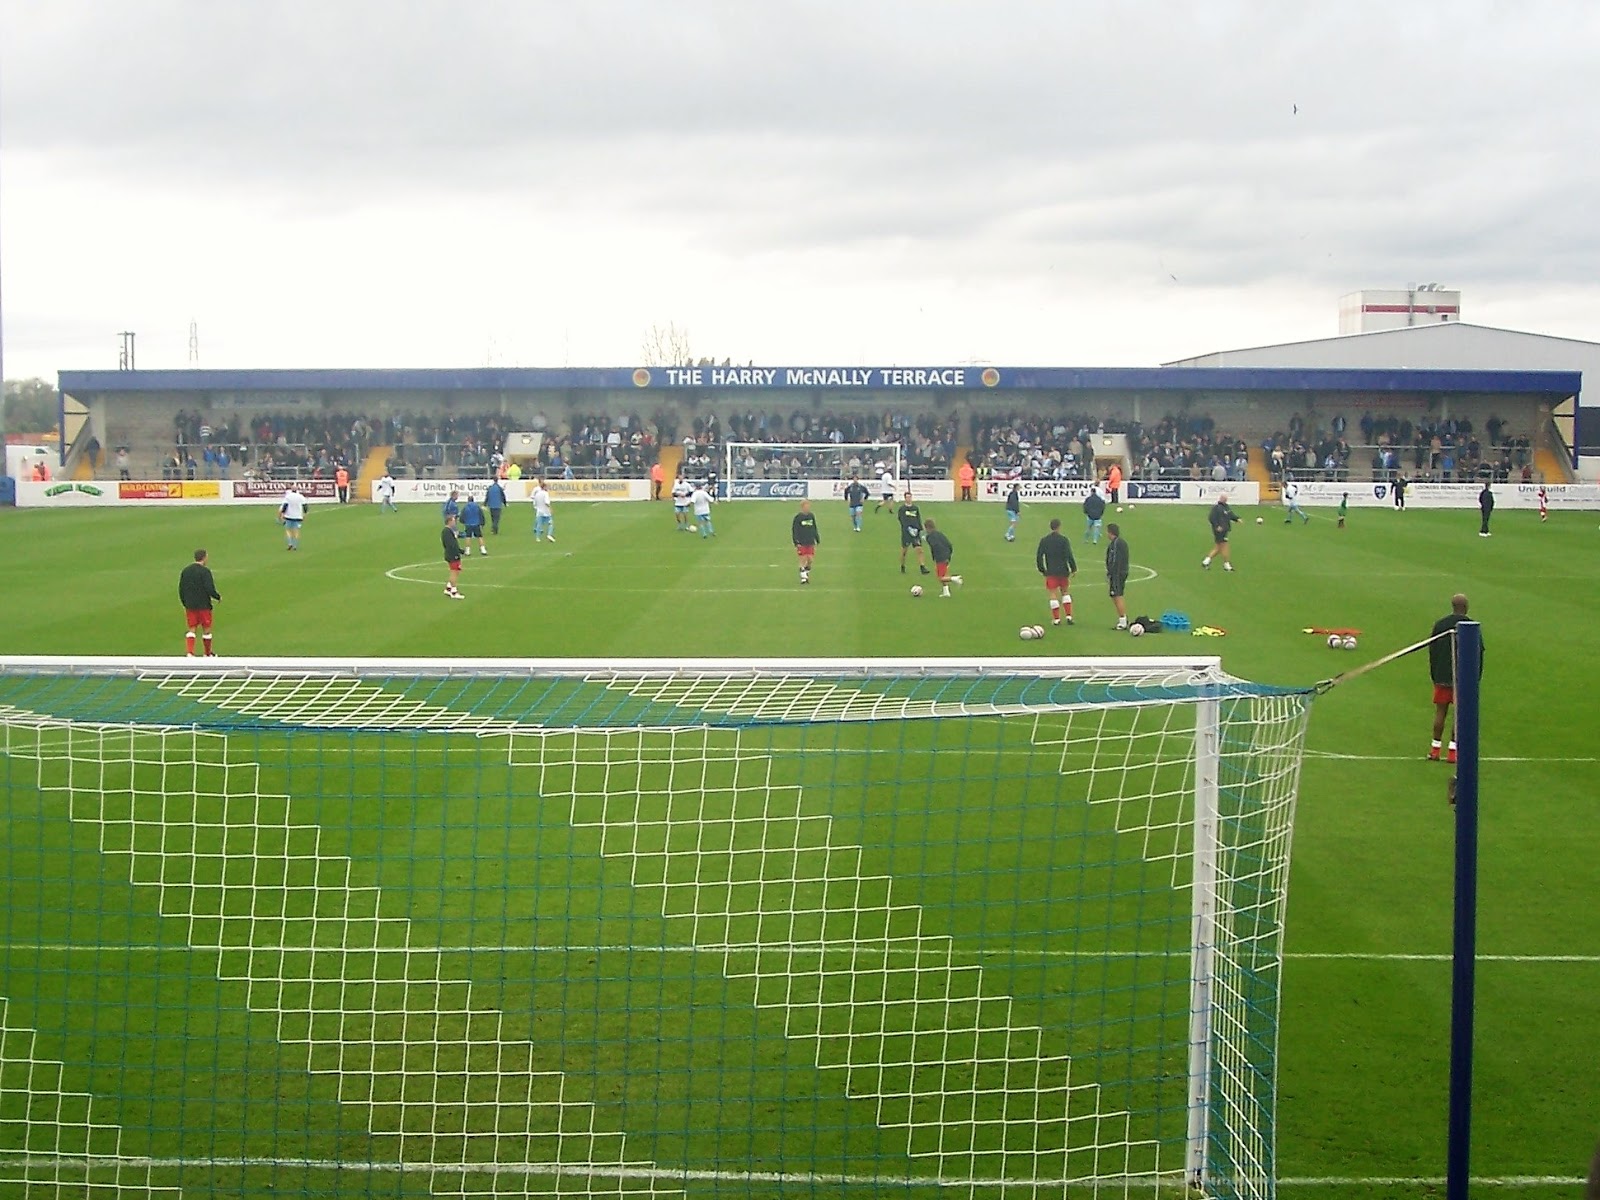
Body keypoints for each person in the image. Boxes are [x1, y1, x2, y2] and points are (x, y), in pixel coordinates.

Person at [1428, 593, 1483, 762]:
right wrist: (1476, 677)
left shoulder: (1441, 624)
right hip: (1463, 679)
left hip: (1442, 676)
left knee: (1440, 712)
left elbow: (1432, 650)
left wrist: (1435, 674)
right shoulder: (1472, 626)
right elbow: (1479, 653)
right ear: (1466, 607)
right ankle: (1453, 752)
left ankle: (1435, 749)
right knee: (1458, 715)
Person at [178, 549, 221, 657]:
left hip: (190, 604)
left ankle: (190, 652)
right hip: (203, 605)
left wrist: (185, 602)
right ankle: (207, 653)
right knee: (206, 629)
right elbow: (209, 588)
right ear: (204, 557)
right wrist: (217, 597)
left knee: (192, 628)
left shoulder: (186, 571)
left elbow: (181, 588)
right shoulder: (205, 571)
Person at [1035, 518, 1078, 626]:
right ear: (1059, 527)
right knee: (1065, 592)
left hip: (1051, 571)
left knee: (1053, 594)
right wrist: (1073, 568)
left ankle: (1056, 619)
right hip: (1063, 571)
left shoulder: (1044, 540)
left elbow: (1039, 556)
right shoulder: (1064, 540)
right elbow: (1069, 555)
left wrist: (1042, 569)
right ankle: (1069, 616)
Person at [924, 519, 962, 596]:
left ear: (927, 528)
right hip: (947, 556)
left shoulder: (930, 537)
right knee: (942, 574)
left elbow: (934, 546)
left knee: (941, 577)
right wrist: (948, 555)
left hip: (941, 558)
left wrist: (937, 557)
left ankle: (955, 579)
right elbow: (949, 544)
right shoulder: (940, 534)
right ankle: (946, 592)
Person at [1201, 493, 1239, 571]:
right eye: (1224, 499)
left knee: (1218, 548)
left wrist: (1237, 519)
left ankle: (1206, 562)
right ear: (1221, 499)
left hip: (1225, 530)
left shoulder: (1226, 507)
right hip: (1219, 530)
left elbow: (1230, 515)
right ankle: (1226, 564)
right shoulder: (1216, 508)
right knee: (1224, 547)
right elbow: (1211, 518)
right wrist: (1217, 526)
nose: (1225, 500)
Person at [896, 491, 929, 575]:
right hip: (906, 533)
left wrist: (919, 529)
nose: (909, 499)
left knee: (919, 550)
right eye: (907, 497)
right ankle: (902, 565)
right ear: (905, 498)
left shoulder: (915, 508)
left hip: (915, 533)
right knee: (904, 551)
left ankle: (922, 567)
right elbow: (901, 520)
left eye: (910, 497)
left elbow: (918, 519)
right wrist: (908, 529)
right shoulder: (902, 509)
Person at [1105, 523, 1130, 630]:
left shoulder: (1116, 544)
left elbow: (1114, 560)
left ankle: (1123, 621)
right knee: (1115, 595)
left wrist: (1111, 572)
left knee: (1117, 595)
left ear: (1110, 532)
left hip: (1117, 574)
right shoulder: (1120, 542)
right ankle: (1123, 619)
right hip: (1120, 572)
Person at [792, 499, 820, 584]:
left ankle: (806, 573)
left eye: (808, 506)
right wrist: (796, 541)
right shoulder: (798, 517)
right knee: (803, 559)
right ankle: (803, 578)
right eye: (806, 506)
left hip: (810, 541)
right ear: (802, 507)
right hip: (801, 541)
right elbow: (795, 530)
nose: (807, 508)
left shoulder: (811, 516)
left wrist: (817, 537)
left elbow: (814, 527)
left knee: (810, 559)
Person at [441, 513, 465, 599]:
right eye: (454, 520)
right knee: (454, 572)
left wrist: (460, 551)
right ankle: (454, 592)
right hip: (452, 555)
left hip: (451, 554)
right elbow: (451, 545)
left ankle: (448, 588)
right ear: (449, 521)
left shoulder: (447, 531)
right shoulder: (447, 532)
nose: (455, 522)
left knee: (455, 571)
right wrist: (457, 553)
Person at [279, 485, 307, 550]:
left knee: (288, 530)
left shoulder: (288, 496)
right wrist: (305, 514)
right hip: (298, 516)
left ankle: (290, 543)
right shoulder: (301, 496)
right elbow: (305, 506)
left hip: (289, 515)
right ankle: (295, 545)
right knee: (296, 531)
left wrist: (283, 514)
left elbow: (285, 505)